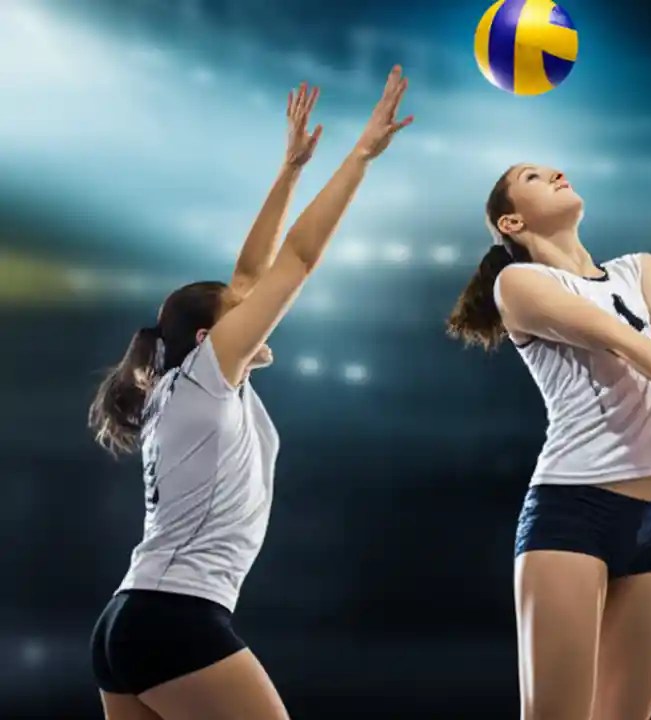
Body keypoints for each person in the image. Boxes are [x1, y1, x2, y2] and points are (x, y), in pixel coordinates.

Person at [86, 67, 412, 720]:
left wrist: (291, 169)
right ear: (211, 335)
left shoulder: (187, 387)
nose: (259, 309)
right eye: (244, 310)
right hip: (175, 618)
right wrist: (361, 156)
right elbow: (294, 261)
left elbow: (249, 273)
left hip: (130, 620)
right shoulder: (203, 379)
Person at [446, 163, 651, 720]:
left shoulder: (641, 269)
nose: (556, 173)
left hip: (650, 521)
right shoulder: (518, 284)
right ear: (512, 221)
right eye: (534, 176)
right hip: (571, 511)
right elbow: (620, 341)